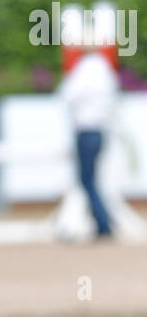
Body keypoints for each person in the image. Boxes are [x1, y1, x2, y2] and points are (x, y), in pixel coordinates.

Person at [60, 49, 120, 238]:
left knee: (86, 179)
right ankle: (101, 222)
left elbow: (67, 95)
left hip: (86, 131)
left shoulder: (82, 72)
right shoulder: (106, 74)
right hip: (101, 131)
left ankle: (103, 222)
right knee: (91, 179)